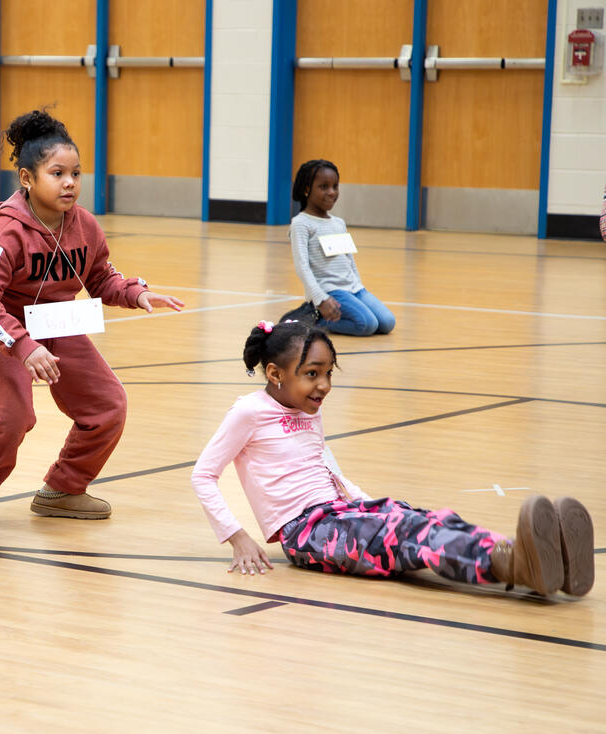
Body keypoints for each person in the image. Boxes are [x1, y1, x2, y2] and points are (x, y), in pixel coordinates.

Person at [190, 319, 594, 598]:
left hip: (339, 512)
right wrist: (238, 537)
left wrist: (371, 505)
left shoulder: (308, 408)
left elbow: (323, 466)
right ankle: (515, 566)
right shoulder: (249, 412)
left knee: (425, 519)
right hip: (307, 533)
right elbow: (203, 475)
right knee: (408, 537)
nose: (324, 385)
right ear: (275, 374)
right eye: (312, 373)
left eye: (329, 373)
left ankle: (536, 560)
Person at [0, 110, 183, 530]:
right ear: (27, 178)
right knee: (13, 417)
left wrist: (136, 293)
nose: (70, 183)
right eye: (57, 173)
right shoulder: (7, 232)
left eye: (76, 173)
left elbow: (100, 278)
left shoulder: (86, 225)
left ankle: (62, 490)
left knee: (108, 405)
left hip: (58, 323)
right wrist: (24, 346)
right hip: (7, 331)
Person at [283, 159, 394, 336]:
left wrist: (358, 285)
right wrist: (320, 299)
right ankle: (316, 318)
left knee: (387, 322)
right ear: (306, 189)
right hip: (330, 290)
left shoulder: (339, 223)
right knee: (367, 325)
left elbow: (348, 259)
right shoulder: (301, 224)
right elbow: (302, 267)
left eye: (335, 186)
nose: (332, 192)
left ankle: (333, 313)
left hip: (355, 289)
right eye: (324, 187)